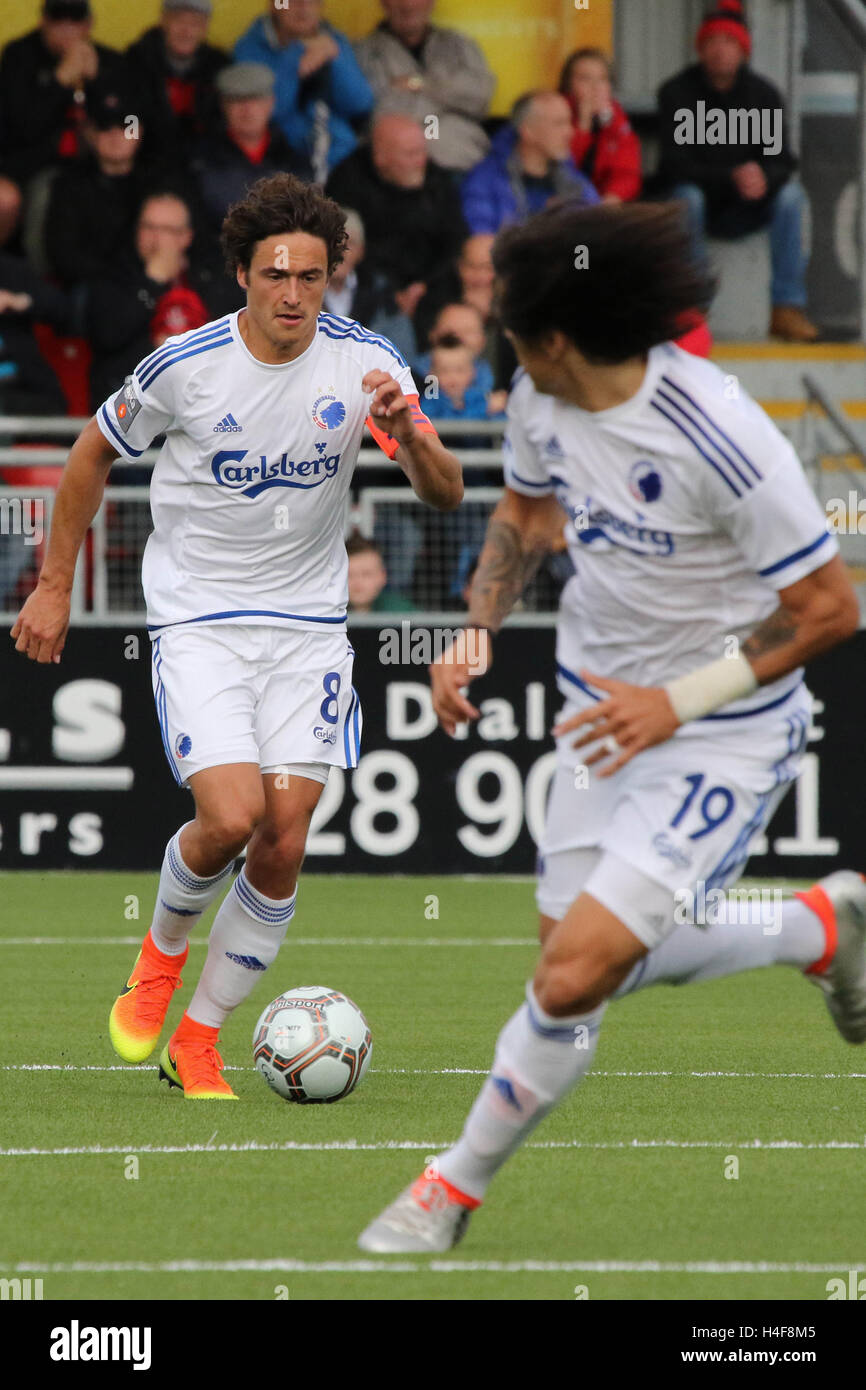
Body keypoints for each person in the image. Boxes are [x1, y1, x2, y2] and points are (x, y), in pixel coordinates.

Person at [357, 200, 865, 1252]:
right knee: (578, 960)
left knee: (571, 972)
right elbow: (527, 517)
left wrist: (670, 705)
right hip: (596, 708)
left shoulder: (719, 435)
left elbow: (828, 608)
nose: (501, 343)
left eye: (509, 327)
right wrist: (474, 631)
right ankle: (815, 926)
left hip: (723, 727)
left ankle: (443, 1197)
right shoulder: (540, 402)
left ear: (554, 337)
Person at [11, 172, 461, 1100]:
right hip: (202, 617)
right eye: (274, 274)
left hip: (307, 629)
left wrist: (406, 435)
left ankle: (200, 1041)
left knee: (285, 838)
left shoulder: (366, 363)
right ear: (243, 278)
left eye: (310, 274)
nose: (293, 293)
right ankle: (160, 958)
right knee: (230, 818)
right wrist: (54, 586)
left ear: (332, 274)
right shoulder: (186, 365)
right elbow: (92, 452)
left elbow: (446, 489)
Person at [657, 0, 818, 342]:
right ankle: (693, 307)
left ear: (744, 50)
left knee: (791, 196)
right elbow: (673, 165)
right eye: (712, 42)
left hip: (750, 205)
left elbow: (782, 161)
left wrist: (763, 176)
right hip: (704, 203)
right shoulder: (676, 93)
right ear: (700, 48)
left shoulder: (764, 94)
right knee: (686, 198)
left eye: (729, 42)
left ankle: (786, 307)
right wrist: (730, 176)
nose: (720, 51)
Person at [326, 113, 467, 347]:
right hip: (371, 286)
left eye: (422, 151)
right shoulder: (348, 181)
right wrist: (393, 292)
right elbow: (347, 247)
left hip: (430, 284)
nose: (421, 161)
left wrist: (422, 285)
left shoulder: (438, 180)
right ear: (381, 158)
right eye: (410, 154)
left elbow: (455, 242)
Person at [86, 192, 220, 408]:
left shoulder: (210, 279)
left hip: (203, 398)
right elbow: (107, 337)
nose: (155, 238)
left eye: (167, 230)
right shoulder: (112, 276)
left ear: (186, 236)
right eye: (148, 227)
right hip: (133, 397)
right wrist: (152, 282)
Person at [0, 0, 128, 205]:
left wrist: (98, 83)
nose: (67, 30)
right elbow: (21, 128)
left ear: (88, 24)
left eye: (75, 21)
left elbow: (132, 117)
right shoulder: (19, 56)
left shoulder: (110, 61)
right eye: (58, 22)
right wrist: (59, 82)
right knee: (50, 194)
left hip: (97, 163)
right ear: (43, 22)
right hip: (35, 164)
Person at [234, 0, 373, 182]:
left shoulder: (333, 40)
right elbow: (267, 112)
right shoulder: (251, 46)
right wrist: (298, 53)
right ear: (275, 5)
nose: (303, 7)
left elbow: (360, 104)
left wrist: (334, 55)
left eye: (312, 1)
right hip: (281, 165)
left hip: (340, 158)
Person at [354, 0, 496, 173]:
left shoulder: (458, 44)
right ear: (384, 3)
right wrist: (449, 97)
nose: (408, 5)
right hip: (396, 174)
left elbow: (480, 97)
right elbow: (378, 112)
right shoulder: (363, 52)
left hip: (463, 164)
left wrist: (419, 84)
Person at [191, 63, 313, 241]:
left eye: (255, 99)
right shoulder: (200, 160)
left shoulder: (295, 160)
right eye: (237, 100)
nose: (247, 109)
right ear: (224, 106)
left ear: (271, 103)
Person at [461, 91, 599, 237]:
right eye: (559, 124)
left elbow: (597, 235)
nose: (570, 132)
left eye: (569, 122)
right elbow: (481, 241)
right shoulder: (486, 181)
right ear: (528, 131)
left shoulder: (574, 182)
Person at [126, 0, 228, 166]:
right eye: (179, 21)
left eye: (195, 23)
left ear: (205, 28)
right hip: (146, 164)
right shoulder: (136, 62)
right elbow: (128, 117)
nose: (186, 31)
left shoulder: (220, 68)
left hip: (205, 166)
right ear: (163, 21)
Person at [558, 48, 641, 202]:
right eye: (585, 79)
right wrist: (583, 125)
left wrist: (610, 202)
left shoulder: (617, 118)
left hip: (603, 207)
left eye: (602, 79)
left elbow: (627, 175)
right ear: (568, 85)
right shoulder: (556, 114)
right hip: (562, 204)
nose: (595, 87)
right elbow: (562, 172)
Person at [346, 533, 413, 612]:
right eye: (349, 575)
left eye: (366, 574)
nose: (357, 582)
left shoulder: (402, 612)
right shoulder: (328, 611)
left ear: (383, 576)